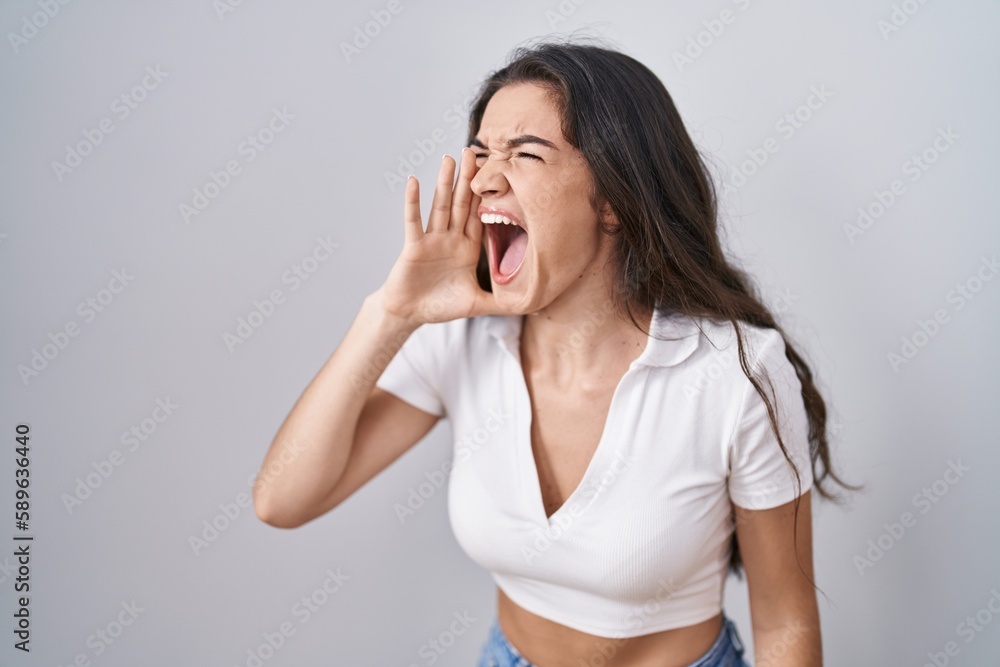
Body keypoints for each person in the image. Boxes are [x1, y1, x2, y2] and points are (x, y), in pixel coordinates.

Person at [253, 38, 860, 667]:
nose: (483, 179)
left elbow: (785, 618)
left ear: (615, 201)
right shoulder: (461, 338)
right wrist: (389, 314)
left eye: (526, 154)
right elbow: (283, 499)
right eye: (482, 153)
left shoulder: (736, 374)